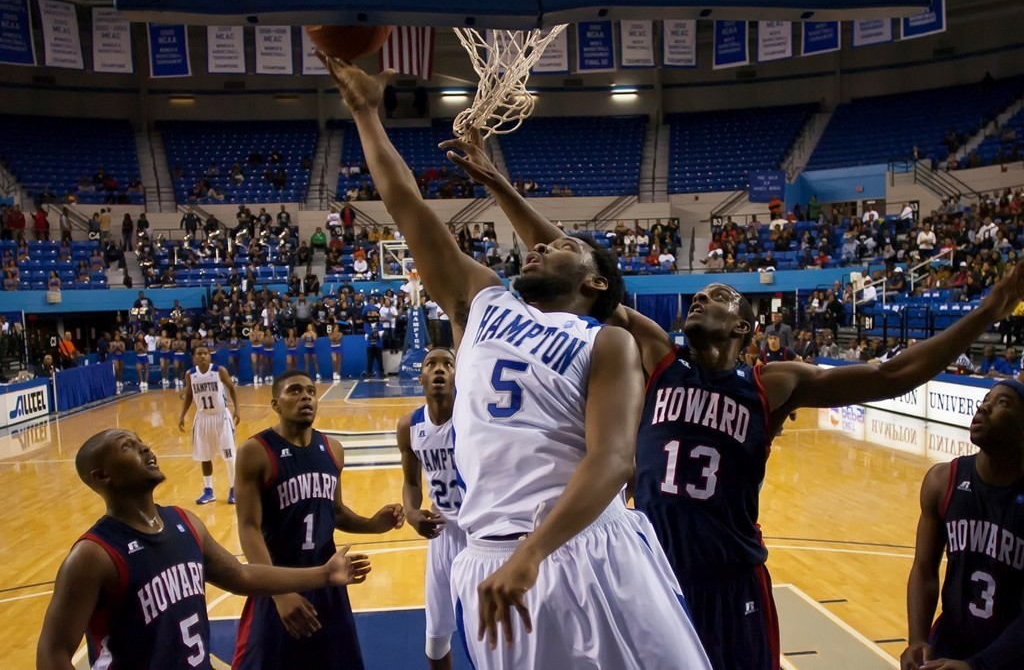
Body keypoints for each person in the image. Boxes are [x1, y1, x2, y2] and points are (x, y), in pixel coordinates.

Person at [441, 123, 1024, 670]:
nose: (701, 297)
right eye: (698, 293)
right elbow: (581, 271)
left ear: (744, 326)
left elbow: (895, 373)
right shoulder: (653, 354)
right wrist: (500, 188)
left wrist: (988, 312)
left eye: (718, 294)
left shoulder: (774, 384)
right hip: (647, 574)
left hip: (733, 582)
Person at [325, 55, 710, 669]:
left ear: (593, 284)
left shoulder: (606, 341)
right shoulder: (479, 300)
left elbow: (613, 460)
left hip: (587, 546)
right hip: (490, 551)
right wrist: (366, 113)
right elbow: (406, 206)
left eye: (560, 248)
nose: (538, 249)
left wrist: (533, 552)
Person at [36, 428, 371, 670]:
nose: (146, 449)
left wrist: (323, 574)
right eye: (129, 447)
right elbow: (52, 654)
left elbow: (240, 575)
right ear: (102, 476)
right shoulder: (93, 555)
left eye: (142, 442)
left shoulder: (186, 523)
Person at [232, 370, 405, 669]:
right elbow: (248, 527)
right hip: (278, 581)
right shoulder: (255, 451)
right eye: (295, 392)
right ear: (276, 404)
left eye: (311, 392)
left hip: (328, 580)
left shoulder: (333, 450)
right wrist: (280, 594)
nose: (305, 398)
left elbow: (334, 512)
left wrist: (374, 524)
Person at [901, 380, 1024, 670]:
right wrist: (917, 639)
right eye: (986, 399)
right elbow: (924, 569)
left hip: (1010, 655)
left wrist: (976, 666)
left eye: (1002, 402)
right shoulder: (943, 481)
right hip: (949, 645)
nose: (984, 406)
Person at [397, 348, 463, 670]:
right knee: (435, 640)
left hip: (481, 533)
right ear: (420, 376)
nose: (439, 369)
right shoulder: (409, 425)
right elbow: (411, 483)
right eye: (431, 364)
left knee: (494, 633)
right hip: (441, 533)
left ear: (457, 374)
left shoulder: (473, 417)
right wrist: (411, 513)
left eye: (447, 364)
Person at [177, 345, 241, 505]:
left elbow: (232, 388)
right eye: (199, 353)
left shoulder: (219, 371)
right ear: (194, 357)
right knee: (204, 456)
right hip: (202, 418)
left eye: (205, 353)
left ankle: (234, 489)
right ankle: (208, 490)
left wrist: (237, 409)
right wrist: (182, 415)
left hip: (221, 417)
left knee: (229, 456)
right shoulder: (190, 374)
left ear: (209, 356)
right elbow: (189, 395)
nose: (203, 356)